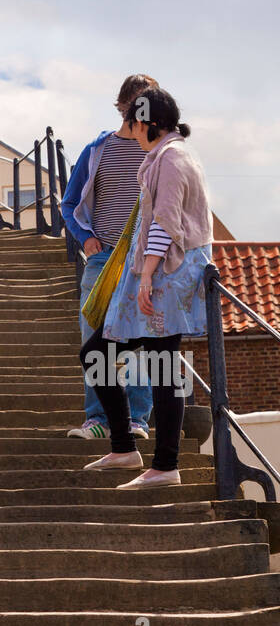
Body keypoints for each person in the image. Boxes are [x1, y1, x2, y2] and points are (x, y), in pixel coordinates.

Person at [78, 87, 212, 488]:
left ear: (148, 123)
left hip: (166, 278)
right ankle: (125, 448)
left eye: (133, 122)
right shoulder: (167, 156)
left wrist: (149, 274)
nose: (129, 129)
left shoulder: (171, 158)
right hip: (158, 275)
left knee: (160, 365)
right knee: (105, 353)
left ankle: (165, 465)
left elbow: (167, 221)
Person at [61, 74, 158, 441]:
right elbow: (69, 204)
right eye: (137, 101)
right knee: (94, 339)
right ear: (123, 105)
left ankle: (136, 419)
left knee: (137, 340)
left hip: (144, 263)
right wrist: (85, 239)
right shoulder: (97, 150)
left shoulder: (158, 151)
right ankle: (98, 417)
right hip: (103, 261)